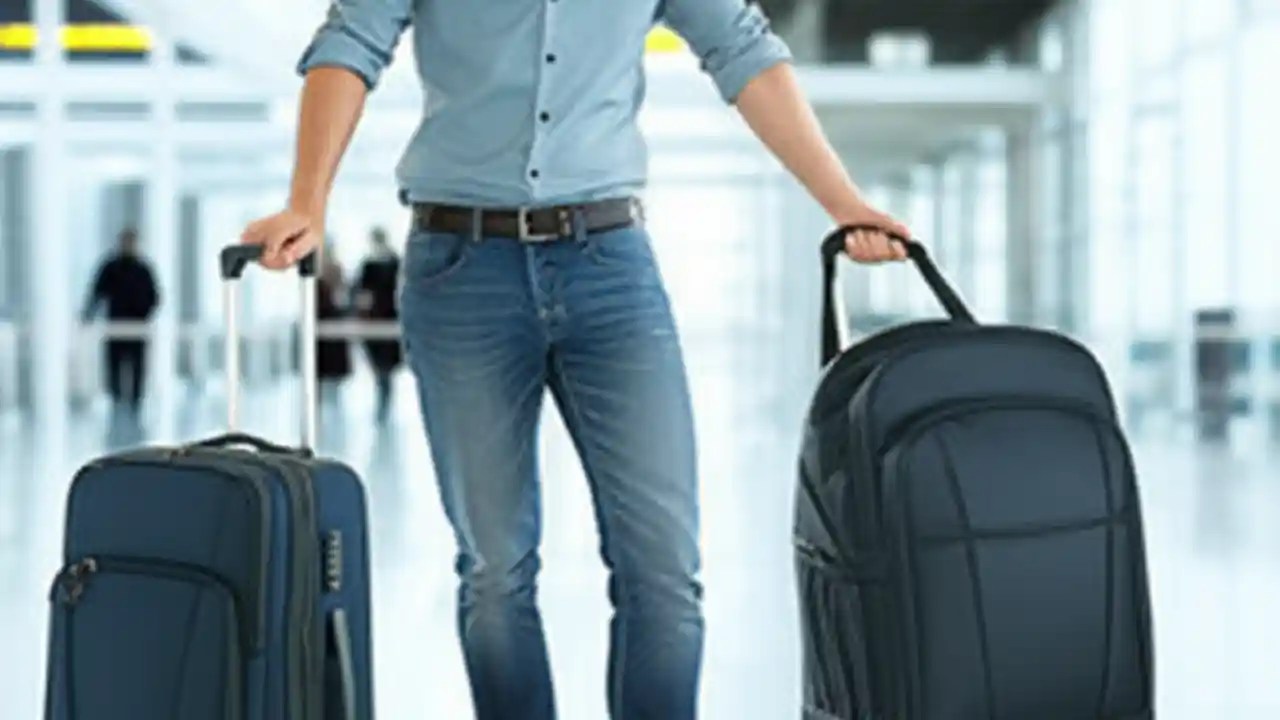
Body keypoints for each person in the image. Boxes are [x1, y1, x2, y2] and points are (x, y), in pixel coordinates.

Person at [240, 2, 910, 718]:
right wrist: (306, 202)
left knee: (664, 570)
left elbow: (742, 49)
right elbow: (351, 41)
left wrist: (844, 203)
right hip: (460, 268)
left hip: (609, 263)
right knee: (495, 571)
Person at [82, 228, 159, 416]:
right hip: (115, 326)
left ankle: (135, 403)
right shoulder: (110, 267)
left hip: (137, 328)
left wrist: (144, 314)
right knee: (114, 366)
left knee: (137, 367)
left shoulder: (143, 269)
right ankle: (116, 400)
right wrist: (88, 314)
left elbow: (154, 297)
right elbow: (97, 292)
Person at [353, 227, 402, 423]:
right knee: (381, 370)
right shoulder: (372, 265)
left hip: (389, 322)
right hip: (376, 323)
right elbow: (361, 294)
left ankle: (384, 407)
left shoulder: (393, 264)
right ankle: (383, 407)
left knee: (385, 370)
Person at [316, 248, 353, 405]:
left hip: (332, 326)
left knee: (331, 379)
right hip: (323, 328)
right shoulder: (316, 279)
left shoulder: (329, 273)